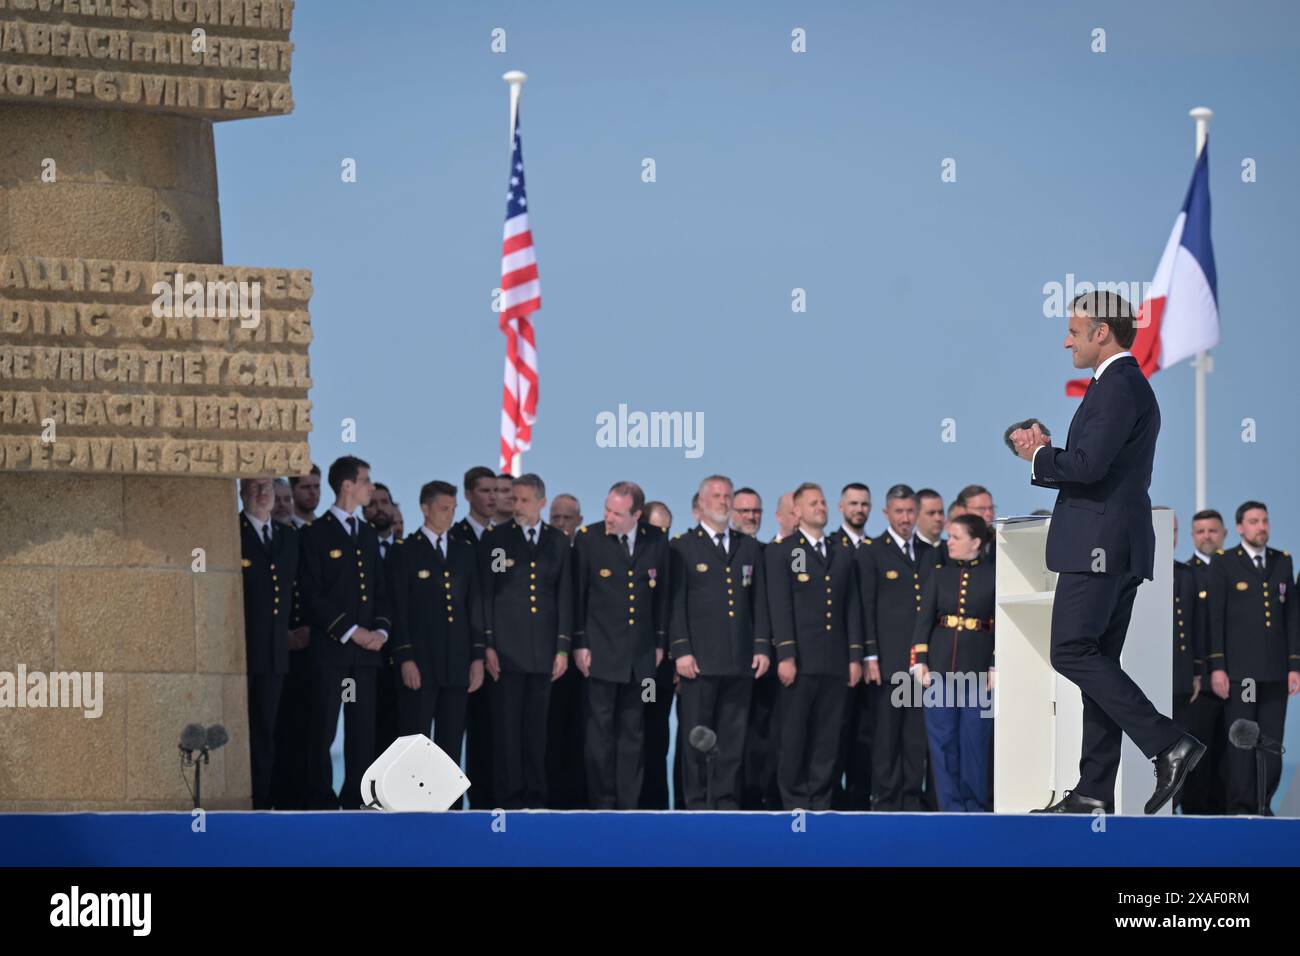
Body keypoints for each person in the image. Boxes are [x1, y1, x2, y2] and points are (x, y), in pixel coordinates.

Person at [1011, 290, 1200, 815]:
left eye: (1074, 329)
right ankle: (1095, 790)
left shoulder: (1117, 386)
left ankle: (1167, 743)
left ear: (1102, 332)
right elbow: (1098, 463)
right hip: (1115, 545)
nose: (1066, 339)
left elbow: (1090, 467)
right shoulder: (1120, 386)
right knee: (1096, 662)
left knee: (1071, 652)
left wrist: (1039, 455)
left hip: (1098, 546)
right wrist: (1052, 453)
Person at [670, 475, 770, 809]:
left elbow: (759, 603)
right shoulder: (683, 547)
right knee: (697, 739)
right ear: (701, 502)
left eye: (727, 496)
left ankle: (726, 801)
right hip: (699, 662)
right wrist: (681, 650)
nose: (723, 502)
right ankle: (697, 802)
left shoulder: (749, 546)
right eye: (716, 496)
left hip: (739, 660)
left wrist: (760, 647)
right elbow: (676, 603)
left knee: (732, 737)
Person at [298, 455, 392, 810]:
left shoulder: (366, 535)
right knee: (323, 730)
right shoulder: (317, 534)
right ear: (347, 486)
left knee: (362, 732)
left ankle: (357, 798)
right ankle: (320, 800)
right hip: (333, 653)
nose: (370, 487)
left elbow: (381, 591)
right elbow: (311, 593)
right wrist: (352, 631)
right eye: (365, 481)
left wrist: (380, 632)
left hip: (366, 657)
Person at [765, 482, 863, 810]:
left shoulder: (841, 552)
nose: (820, 507)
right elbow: (781, 606)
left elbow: (851, 606)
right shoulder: (785, 551)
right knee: (794, 735)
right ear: (797, 512)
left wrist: (854, 656)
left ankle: (820, 799)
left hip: (834, 661)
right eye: (812, 503)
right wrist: (786, 654)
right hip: (800, 661)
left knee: (827, 735)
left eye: (822, 501)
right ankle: (793, 800)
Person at [572, 481, 669, 809]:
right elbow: (579, 595)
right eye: (607, 510)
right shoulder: (589, 539)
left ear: (636, 515)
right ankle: (602, 802)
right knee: (599, 733)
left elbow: (662, 598)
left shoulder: (656, 540)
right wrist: (580, 644)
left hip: (642, 663)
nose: (609, 517)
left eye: (617, 513)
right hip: (600, 655)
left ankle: (629, 804)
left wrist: (659, 644)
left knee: (635, 730)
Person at [480, 474, 573, 809]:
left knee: (537, 731)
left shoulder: (559, 543)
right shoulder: (497, 539)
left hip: (543, 652)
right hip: (506, 651)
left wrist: (562, 648)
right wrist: (488, 643)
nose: (516, 506)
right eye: (514, 499)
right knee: (507, 731)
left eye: (523, 500)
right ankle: (509, 797)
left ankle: (536, 796)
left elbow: (565, 598)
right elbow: (487, 594)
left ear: (540, 503)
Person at [388, 480, 484, 793]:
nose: (450, 515)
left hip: (456, 665)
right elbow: (398, 609)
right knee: (414, 741)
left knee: (451, 743)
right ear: (425, 508)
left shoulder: (464, 552)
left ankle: (450, 809)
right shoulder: (406, 552)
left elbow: (474, 607)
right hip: (420, 664)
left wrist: (477, 658)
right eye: (444, 509)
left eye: (453, 509)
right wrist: (405, 657)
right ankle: (410, 805)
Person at [1207, 501, 1299, 814]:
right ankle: (1242, 805)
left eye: (1265, 521)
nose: (1262, 526)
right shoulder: (1225, 563)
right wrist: (1217, 667)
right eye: (1254, 521)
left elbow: (1291, 618)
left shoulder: (1282, 561)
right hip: (1241, 672)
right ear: (1241, 528)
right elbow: (1215, 617)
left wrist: (1294, 666)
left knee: (1272, 742)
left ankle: (1264, 803)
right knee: (1243, 742)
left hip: (1275, 672)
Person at [857, 483, 934, 811]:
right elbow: (866, 606)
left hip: (921, 666)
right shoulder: (872, 552)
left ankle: (910, 800)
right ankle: (885, 801)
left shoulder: (932, 554)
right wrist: (870, 654)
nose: (905, 518)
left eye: (910, 511)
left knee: (915, 740)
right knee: (886, 739)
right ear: (887, 513)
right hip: (887, 663)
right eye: (898, 512)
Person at [912, 514, 995, 811]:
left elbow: (1001, 625)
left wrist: (995, 664)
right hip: (940, 669)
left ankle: (976, 807)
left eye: (957, 537)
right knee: (942, 742)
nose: (950, 542)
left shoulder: (994, 575)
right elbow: (924, 621)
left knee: (975, 741)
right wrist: (919, 660)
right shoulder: (939, 575)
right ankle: (950, 807)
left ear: (975, 542)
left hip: (978, 673)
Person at [238, 477, 300, 809]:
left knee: (268, 727)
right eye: (255, 488)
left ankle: (264, 799)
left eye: (267, 489)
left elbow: (295, 590)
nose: (262, 495)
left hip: (277, 651)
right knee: (243, 726)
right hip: (241, 650)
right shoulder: (233, 532)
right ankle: (246, 797)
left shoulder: (288, 537)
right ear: (241, 492)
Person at [273, 465, 319, 808]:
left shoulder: (309, 536)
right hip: (278, 646)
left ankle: (307, 796)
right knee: (279, 724)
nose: (285, 505)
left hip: (311, 647)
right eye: (283, 497)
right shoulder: (267, 538)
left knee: (310, 725)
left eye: (288, 499)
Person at [453, 466, 498, 808]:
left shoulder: (503, 538)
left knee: (491, 731)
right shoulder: (456, 537)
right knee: (457, 730)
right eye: (484, 491)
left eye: (496, 491)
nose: (492, 497)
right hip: (462, 651)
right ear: (467, 495)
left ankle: (485, 802)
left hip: (499, 652)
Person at [832, 482, 873, 810]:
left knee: (865, 736)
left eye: (864, 504)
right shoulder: (830, 547)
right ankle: (834, 800)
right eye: (854, 504)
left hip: (873, 661)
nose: (859, 509)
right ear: (840, 507)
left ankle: (860, 802)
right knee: (835, 734)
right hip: (838, 660)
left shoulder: (874, 548)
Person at [1185, 508, 1229, 813]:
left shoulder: (1236, 571)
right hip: (1201, 683)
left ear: (1224, 533)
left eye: (1212, 530)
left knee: (1231, 756)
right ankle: (1196, 814)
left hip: (1235, 679)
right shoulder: (1188, 574)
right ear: (1192, 536)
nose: (1207, 536)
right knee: (1200, 753)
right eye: (1201, 531)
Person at [546, 491, 588, 806]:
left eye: (567, 518)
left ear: (579, 522)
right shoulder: (544, 552)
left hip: (587, 660)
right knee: (551, 728)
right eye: (556, 518)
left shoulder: (587, 553)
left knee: (583, 731)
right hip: (550, 659)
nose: (561, 524)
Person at [639, 500, 676, 809]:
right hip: (632, 669)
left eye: (666, 530)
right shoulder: (633, 560)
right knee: (631, 736)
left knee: (657, 738)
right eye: (655, 529)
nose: (661, 536)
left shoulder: (673, 560)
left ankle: (657, 805)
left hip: (662, 673)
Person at [365, 483, 400, 756]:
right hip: (366, 652)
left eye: (384, 502)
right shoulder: (360, 549)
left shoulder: (407, 551)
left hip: (403, 657)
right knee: (366, 729)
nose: (379, 508)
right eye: (373, 503)